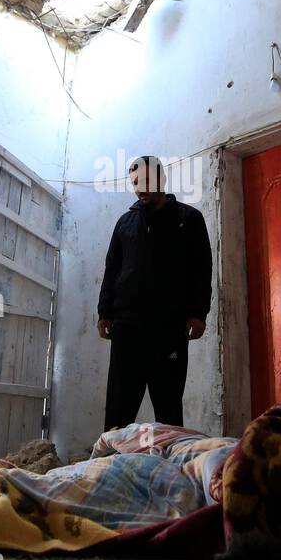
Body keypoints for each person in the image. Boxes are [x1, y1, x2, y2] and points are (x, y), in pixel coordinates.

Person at [97, 155, 212, 430]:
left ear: (161, 179)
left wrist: (198, 313)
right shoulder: (125, 223)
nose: (139, 187)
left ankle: (172, 468)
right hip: (126, 329)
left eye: (145, 180)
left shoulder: (189, 219)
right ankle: (109, 467)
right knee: (118, 410)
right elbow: (111, 268)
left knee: (169, 408)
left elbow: (202, 269)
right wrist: (104, 313)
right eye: (135, 182)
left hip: (169, 330)